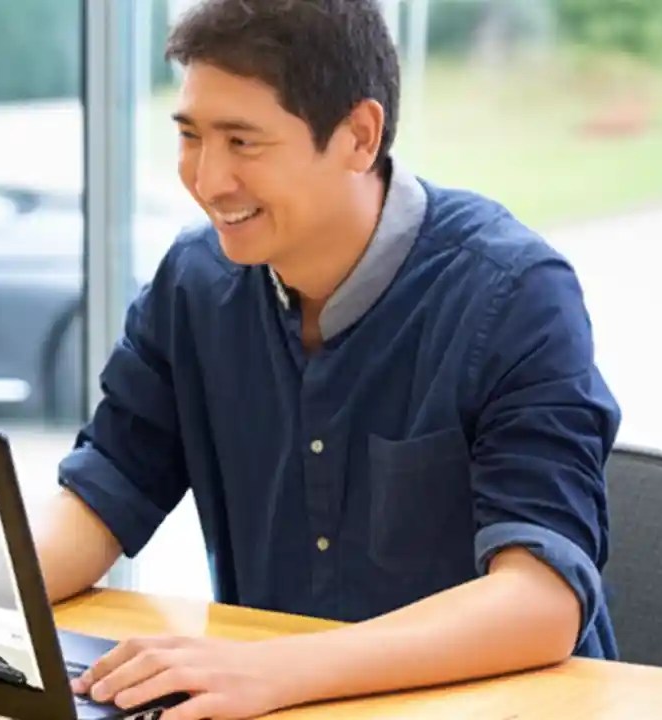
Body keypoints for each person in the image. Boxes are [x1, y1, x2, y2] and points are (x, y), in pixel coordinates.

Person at [33, 1, 621, 718]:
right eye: (190, 135)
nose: (207, 179)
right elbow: (102, 494)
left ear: (359, 136)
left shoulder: (514, 293)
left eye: (243, 142)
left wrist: (275, 669)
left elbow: (542, 598)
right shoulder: (195, 281)